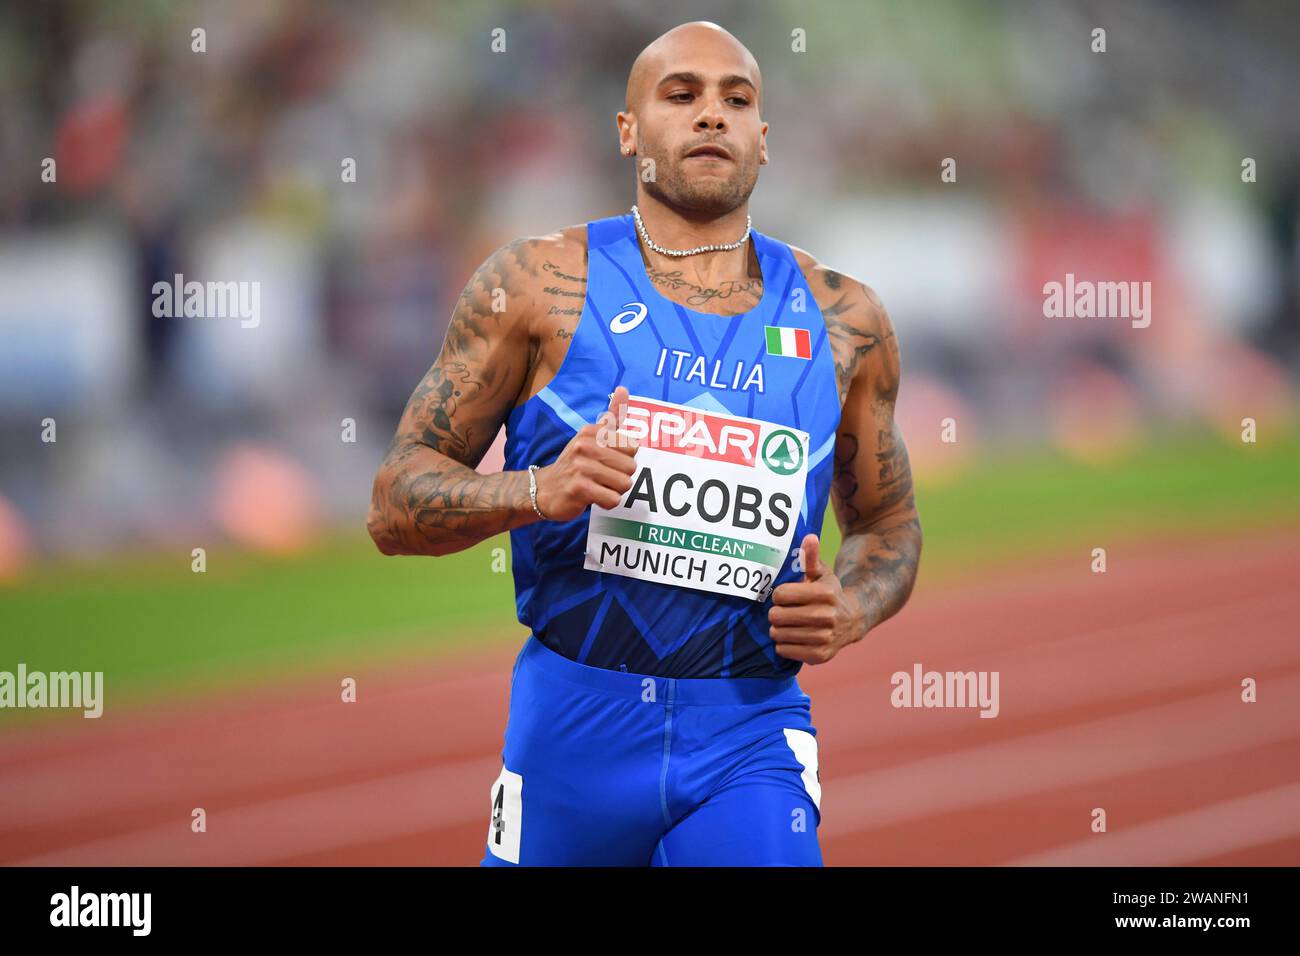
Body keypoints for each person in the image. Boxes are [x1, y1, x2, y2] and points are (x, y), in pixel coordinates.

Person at [367, 21, 922, 866]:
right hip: (571, 731)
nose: (712, 116)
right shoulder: (534, 286)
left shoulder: (847, 320)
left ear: (763, 141)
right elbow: (393, 503)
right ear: (628, 130)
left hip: (748, 729)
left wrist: (850, 606)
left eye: (737, 100)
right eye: (681, 94)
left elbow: (889, 526)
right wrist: (535, 491)